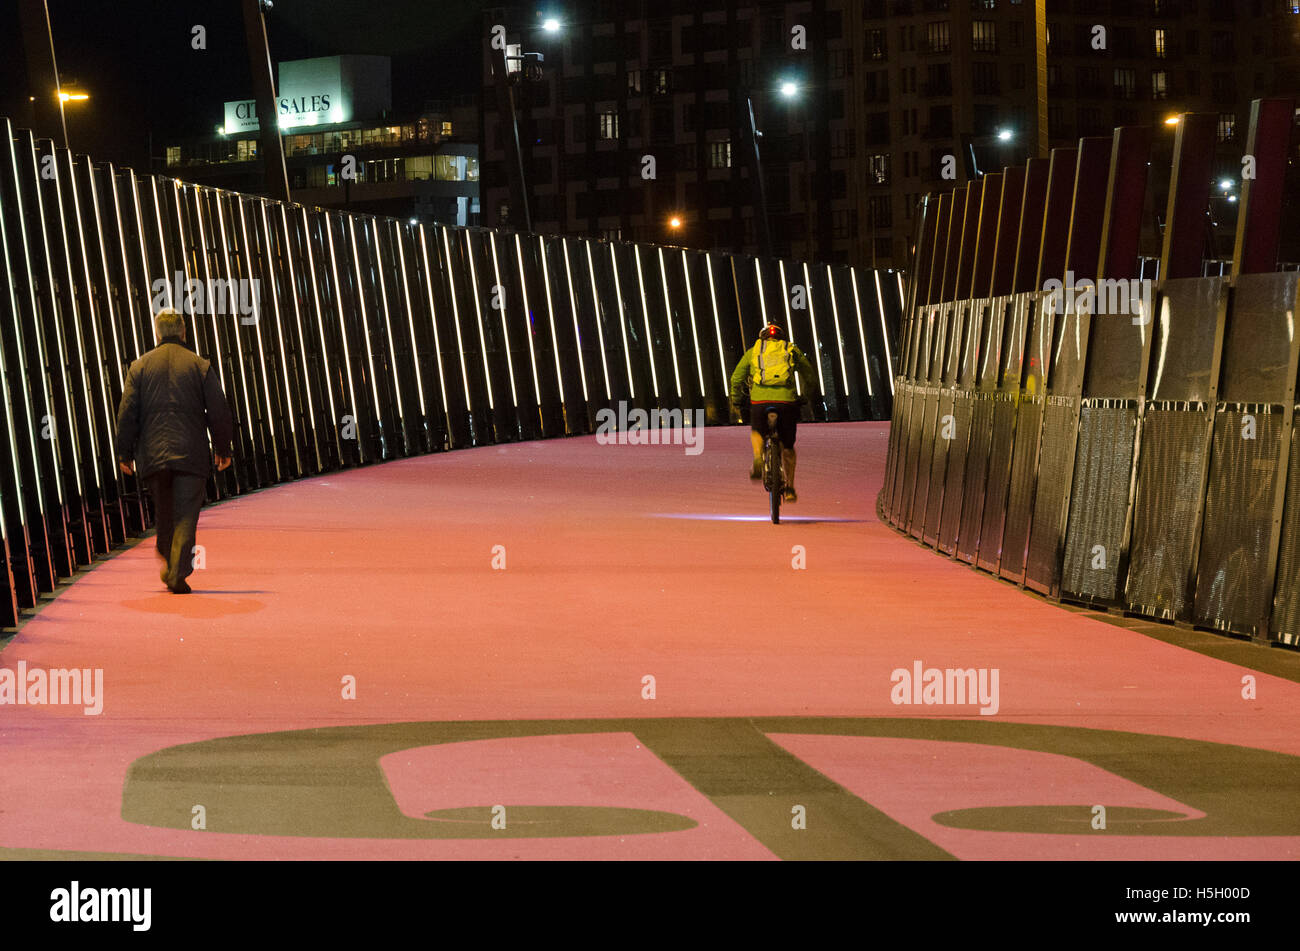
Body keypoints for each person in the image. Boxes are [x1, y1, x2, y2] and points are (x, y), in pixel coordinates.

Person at [115, 309, 234, 594]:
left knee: (164, 512)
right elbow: (218, 410)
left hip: (152, 454)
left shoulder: (139, 367)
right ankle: (177, 571)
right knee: (185, 515)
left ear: (157, 333)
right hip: (190, 453)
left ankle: (169, 558)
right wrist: (223, 448)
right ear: (184, 332)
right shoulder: (199, 365)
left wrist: (124, 453)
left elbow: (127, 412)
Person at [728, 323, 816, 502]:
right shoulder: (791, 350)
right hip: (786, 402)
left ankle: (757, 458)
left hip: (760, 401)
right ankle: (790, 487)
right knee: (789, 447)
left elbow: (736, 377)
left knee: (757, 431)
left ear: (763, 338)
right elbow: (810, 376)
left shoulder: (754, 351)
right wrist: (805, 396)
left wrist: (736, 399)